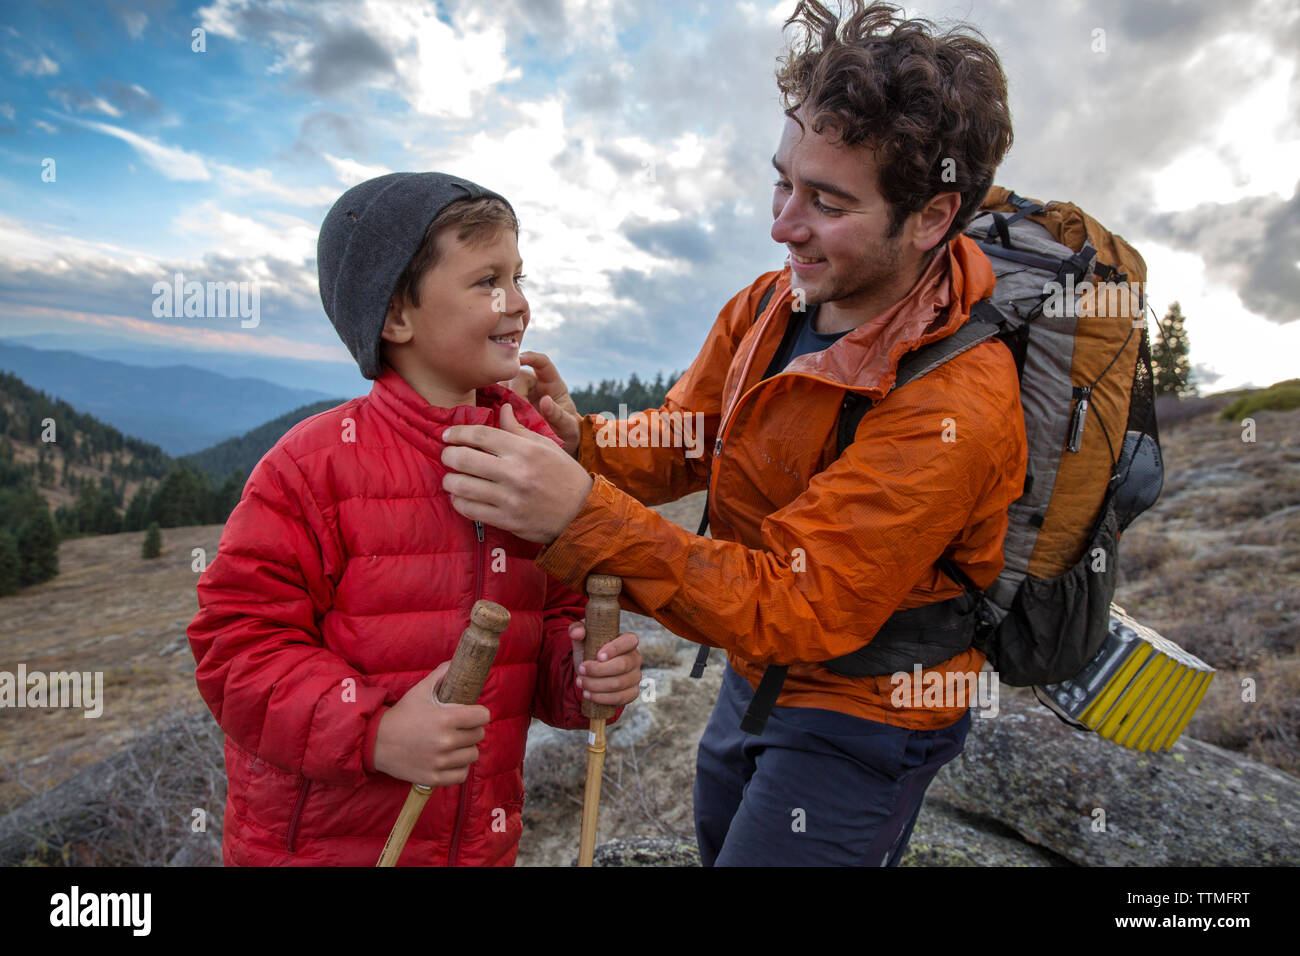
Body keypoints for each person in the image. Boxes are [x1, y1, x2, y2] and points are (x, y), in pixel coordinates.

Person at [438, 0, 1027, 867]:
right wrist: (581, 445)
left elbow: (800, 601)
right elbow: (694, 434)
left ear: (933, 217)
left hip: (868, 712)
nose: (783, 224)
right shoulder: (772, 303)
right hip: (753, 674)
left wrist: (578, 517)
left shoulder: (956, 405)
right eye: (784, 182)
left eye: (827, 202)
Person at [186, 172, 643, 867]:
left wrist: (581, 674)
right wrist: (375, 734)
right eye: (488, 280)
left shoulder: (536, 464)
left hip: (478, 846)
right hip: (322, 851)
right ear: (396, 316)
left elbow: (553, 623)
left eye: (519, 277)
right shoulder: (312, 469)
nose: (519, 303)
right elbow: (236, 650)